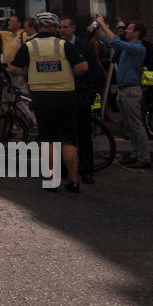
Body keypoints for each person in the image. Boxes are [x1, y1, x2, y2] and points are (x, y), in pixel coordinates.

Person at [9, 12, 88, 193]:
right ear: (55, 27)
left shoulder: (29, 46)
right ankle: (74, 180)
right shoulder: (64, 45)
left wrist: (29, 73)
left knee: (48, 140)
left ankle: (53, 180)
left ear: (37, 27)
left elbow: (13, 67)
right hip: (65, 96)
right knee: (67, 140)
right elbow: (83, 67)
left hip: (42, 97)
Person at [93, 14, 150, 168]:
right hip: (123, 90)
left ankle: (143, 158)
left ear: (137, 33)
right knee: (129, 126)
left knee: (136, 125)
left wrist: (104, 24)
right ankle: (135, 154)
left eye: (130, 29)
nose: (126, 30)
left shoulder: (137, 48)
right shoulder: (126, 47)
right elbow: (109, 41)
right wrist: (97, 29)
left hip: (131, 90)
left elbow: (115, 41)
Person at [60, 16, 105, 185]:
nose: (61, 30)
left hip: (80, 96)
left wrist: (89, 96)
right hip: (63, 95)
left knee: (84, 136)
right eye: (60, 27)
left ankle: (86, 171)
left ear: (73, 28)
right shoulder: (57, 46)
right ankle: (65, 169)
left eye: (65, 27)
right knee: (64, 136)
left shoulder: (84, 47)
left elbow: (95, 73)